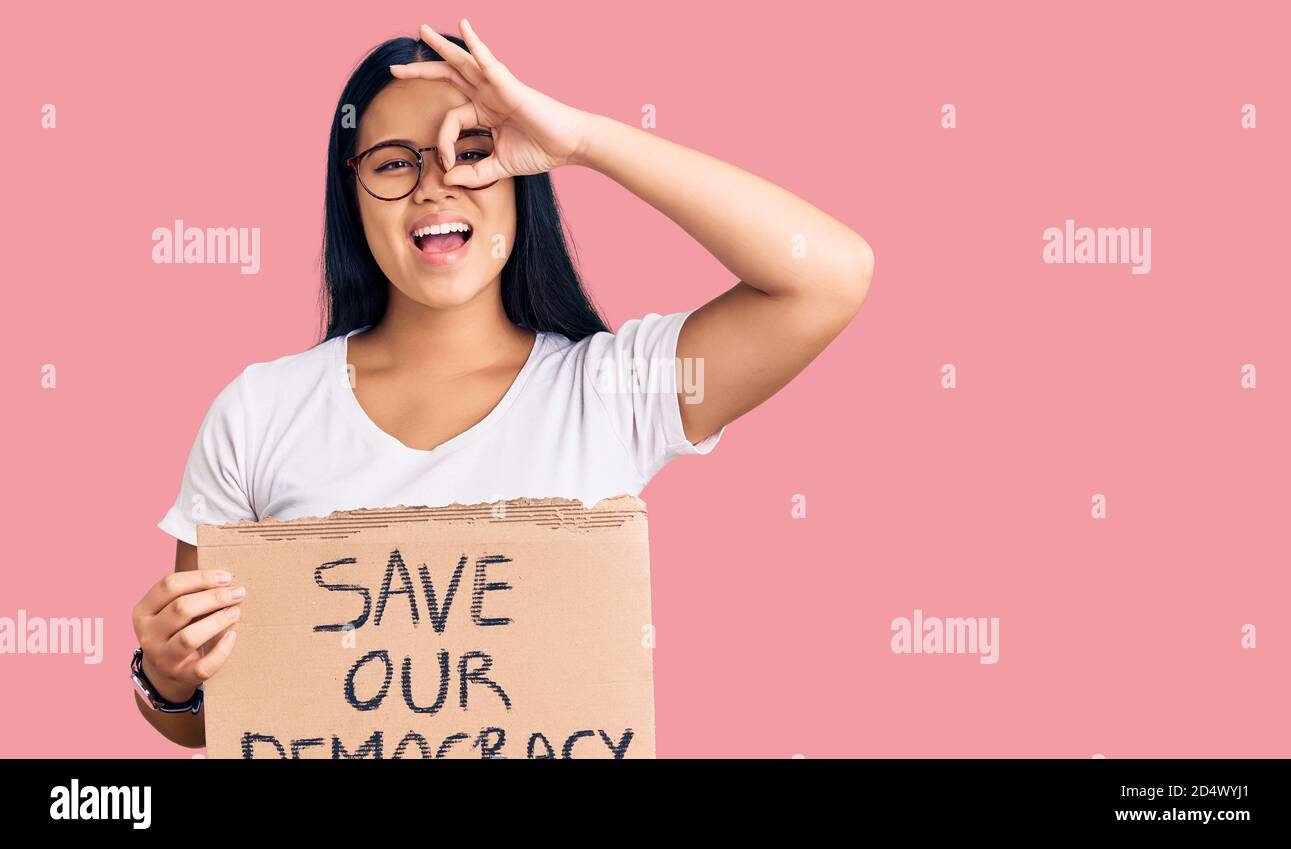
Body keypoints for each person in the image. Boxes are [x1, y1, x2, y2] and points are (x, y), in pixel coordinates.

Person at [132, 19, 875, 748]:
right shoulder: (259, 413)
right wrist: (166, 678)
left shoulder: (611, 390)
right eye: (395, 162)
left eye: (472, 150)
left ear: (520, 174)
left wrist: (580, 140)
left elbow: (830, 276)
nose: (436, 185)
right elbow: (210, 719)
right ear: (351, 195)